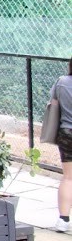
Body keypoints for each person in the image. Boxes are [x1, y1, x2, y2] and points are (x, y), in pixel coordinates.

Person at [53, 57, 72, 232]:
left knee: (68, 177)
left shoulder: (62, 82)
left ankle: (63, 220)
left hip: (66, 132)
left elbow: (53, 105)